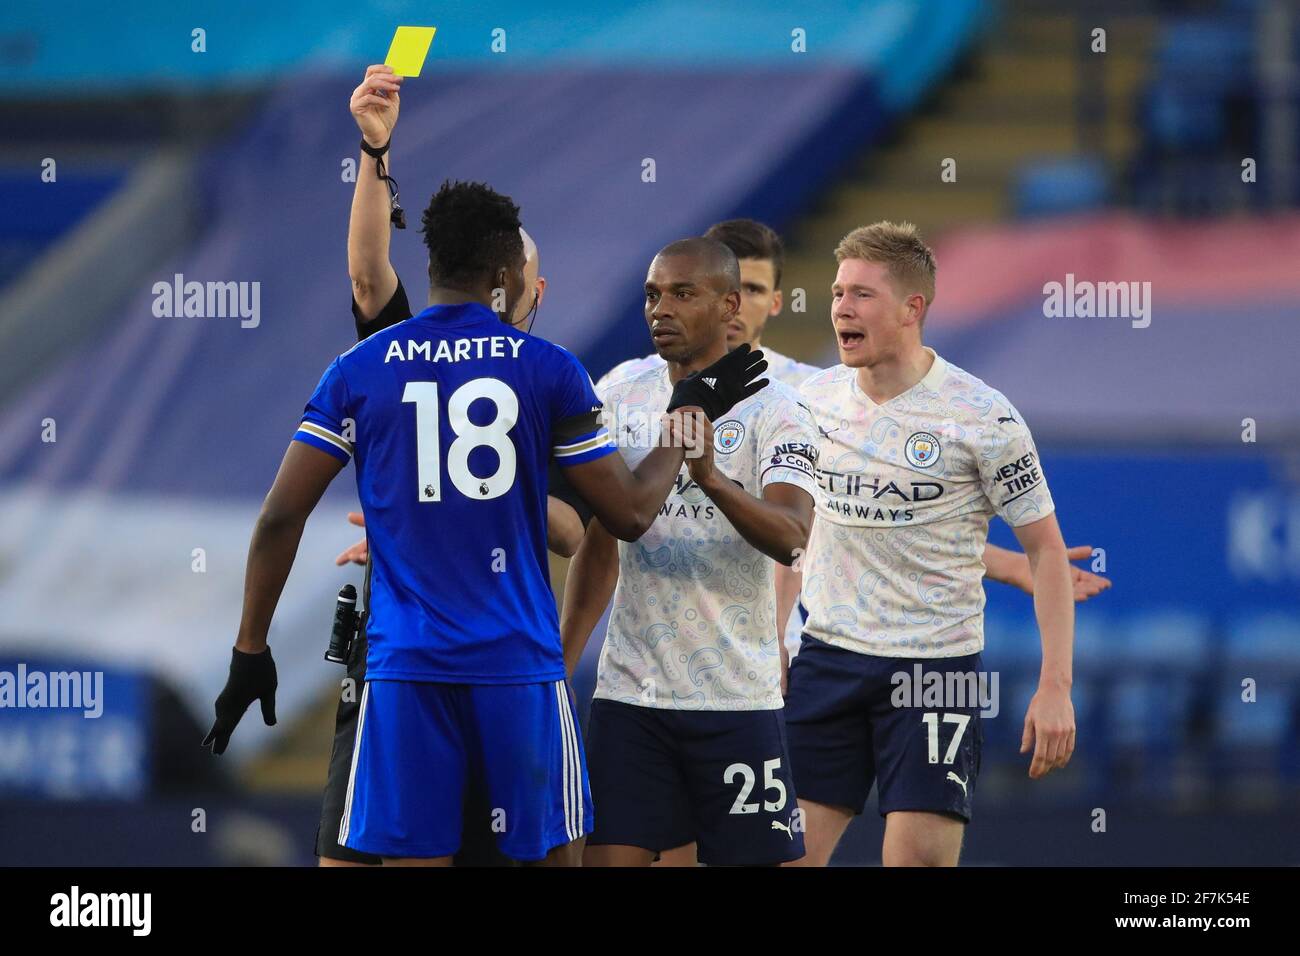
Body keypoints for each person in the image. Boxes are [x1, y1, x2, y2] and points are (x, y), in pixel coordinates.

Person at [202, 172, 763, 865]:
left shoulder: (360, 367)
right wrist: (690, 410)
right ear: (504, 278)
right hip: (517, 668)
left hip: (405, 671)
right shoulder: (548, 370)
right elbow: (628, 514)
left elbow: (280, 516)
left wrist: (251, 649)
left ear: (433, 266)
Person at [315, 64, 587, 867]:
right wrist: (375, 151)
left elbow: (575, 530)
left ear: (533, 289)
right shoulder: (407, 358)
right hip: (397, 657)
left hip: (497, 666)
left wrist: (457, 504)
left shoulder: (544, 383)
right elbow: (369, 274)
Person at [783, 221, 1075, 867]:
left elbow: (1047, 551)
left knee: (916, 859)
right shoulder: (810, 401)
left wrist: (1055, 686)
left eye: (861, 294)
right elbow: (795, 532)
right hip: (828, 658)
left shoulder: (983, 416)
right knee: (784, 856)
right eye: (837, 292)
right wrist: (775, 636)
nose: (841, 308)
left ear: (912, 308)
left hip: (934, 670)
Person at [562, 237, 817, 866]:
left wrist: (712, 478)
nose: (661, 309)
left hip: (736, 696)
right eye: (652, 295)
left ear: (729, 305)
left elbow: (792, 536)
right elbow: (599, 543)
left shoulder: (778, 409)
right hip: (631, 696)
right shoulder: (619, 396)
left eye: (682, 293)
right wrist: (560, 662)